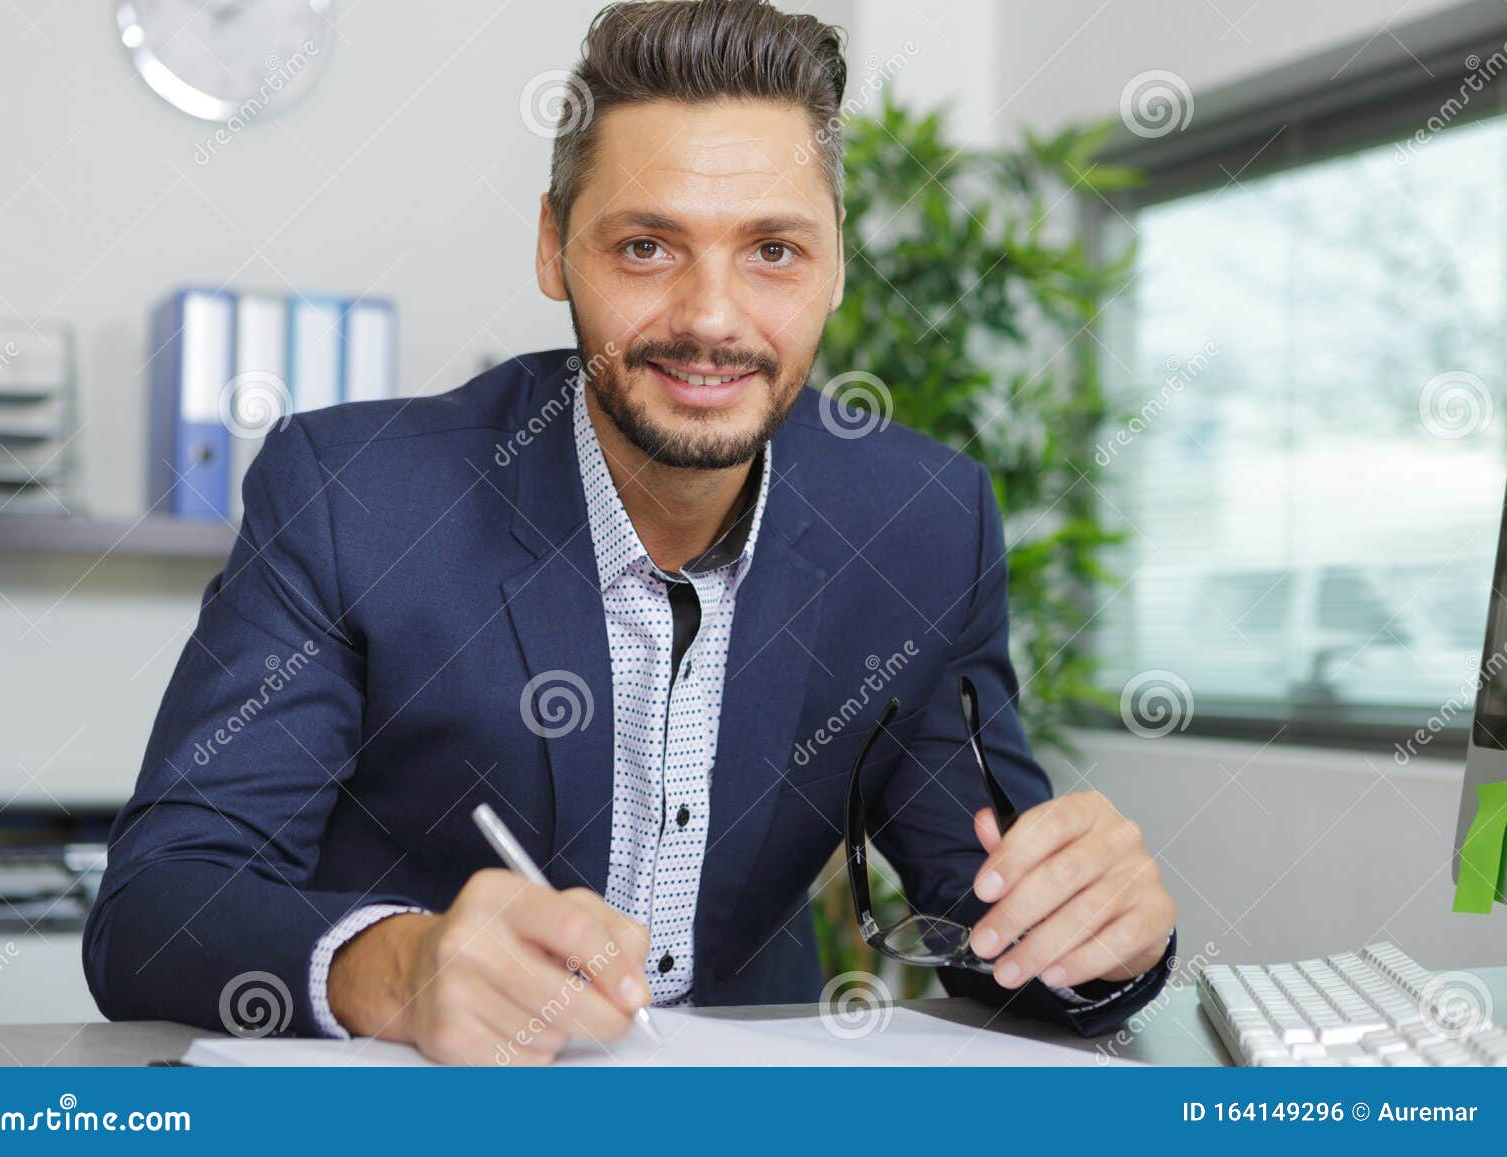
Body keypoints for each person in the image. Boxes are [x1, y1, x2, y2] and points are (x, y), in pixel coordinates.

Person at [85, 0, 1177, 1065]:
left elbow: (996, 921)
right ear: (554, 247)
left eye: (774, 250)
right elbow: (159, 903)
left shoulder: (920, 524)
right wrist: (397, 966)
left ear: (837, 264)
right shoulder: (354, 496)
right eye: (648, 246)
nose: (711, 318)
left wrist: (1099, 934)